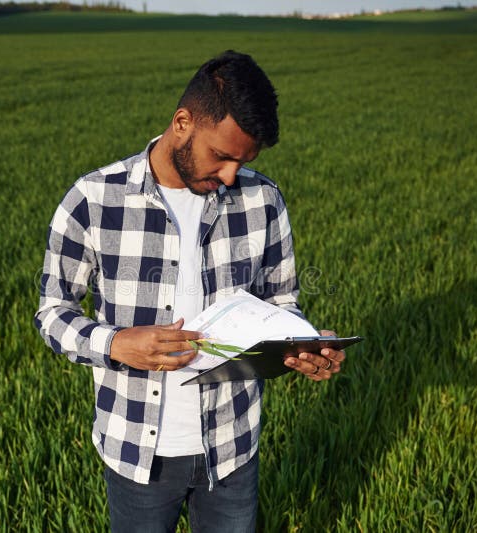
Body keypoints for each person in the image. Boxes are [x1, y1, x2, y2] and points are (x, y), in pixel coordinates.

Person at [35, 50, 345, 532]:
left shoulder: (263, 200)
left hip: (232, 446)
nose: (228, 177)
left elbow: (282, 301)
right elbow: (53, 312)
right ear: (183, 122)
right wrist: (117, 344)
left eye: (241, 163)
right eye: (221, 156)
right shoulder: (93, 200)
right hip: (137, 451)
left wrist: (302, 345)